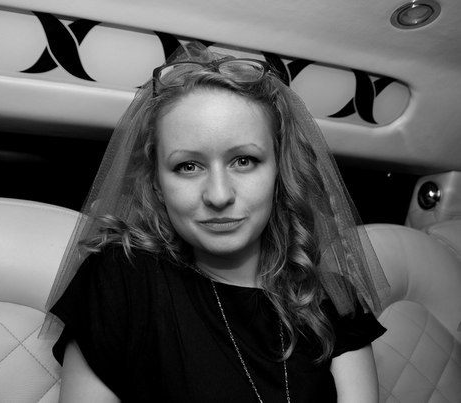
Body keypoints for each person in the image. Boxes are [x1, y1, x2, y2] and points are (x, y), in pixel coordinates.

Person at [43, 42, 389, 403]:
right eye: (188, 166)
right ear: (157, 184)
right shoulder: (121, 279)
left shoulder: (333, 298)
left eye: (244, 161)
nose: (219, 195)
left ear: (278, 172)